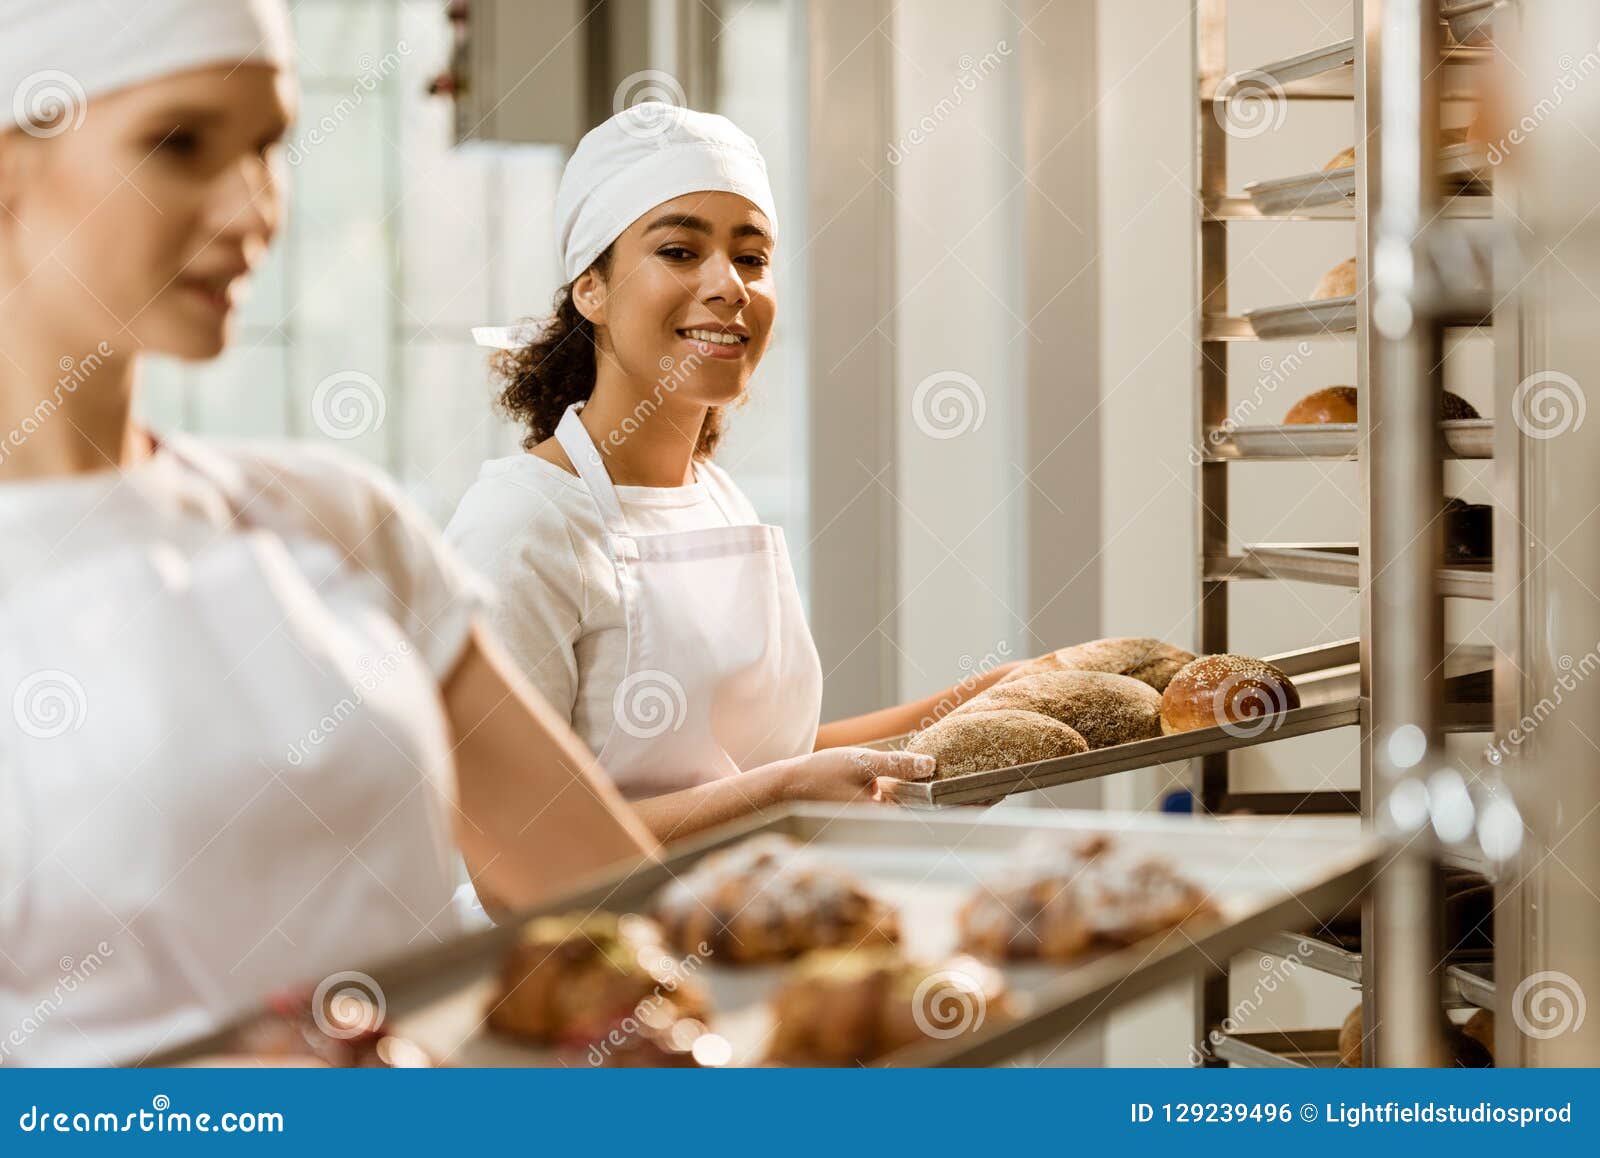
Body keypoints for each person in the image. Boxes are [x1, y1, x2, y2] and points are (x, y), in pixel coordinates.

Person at [0, 0, 923, 1069]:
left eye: (268, 148)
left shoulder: (333, 521)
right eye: (178, 143)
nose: (252, 206)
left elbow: (597, 902)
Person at [448, 106, 1028, 841]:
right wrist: (782, 797)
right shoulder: (521, 527)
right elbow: (513, 856)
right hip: (604, 953)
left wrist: (983, 702)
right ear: (590, 288)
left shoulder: (714, 497)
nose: (730, 286)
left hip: (758, 937)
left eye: (751, 258)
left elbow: (761, 766)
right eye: (680, 252)